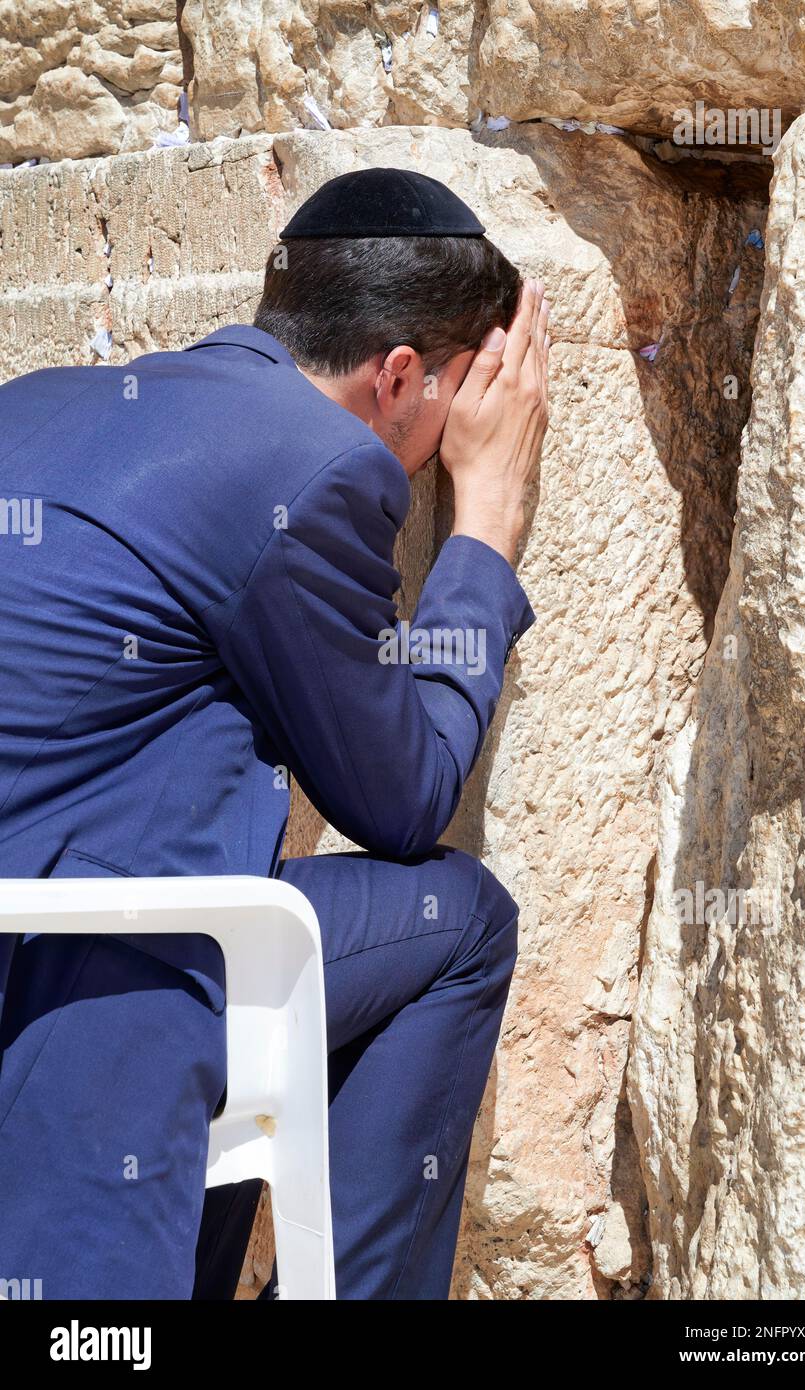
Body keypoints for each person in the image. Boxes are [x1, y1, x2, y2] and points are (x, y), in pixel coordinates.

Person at [0, 166, 550, 1300]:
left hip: (35, 921)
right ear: (402, 375)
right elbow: (401, 796)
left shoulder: (32, 401)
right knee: (458, 918)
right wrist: (484, 530)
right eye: (464, 389)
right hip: (90, 972)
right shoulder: (318, 462)